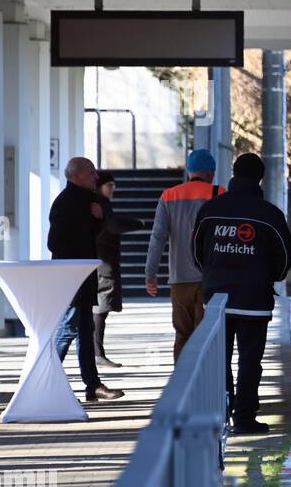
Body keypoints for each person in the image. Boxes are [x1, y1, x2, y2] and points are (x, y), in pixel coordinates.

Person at [192, 153, 291, 435]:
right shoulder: (269, 214)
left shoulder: (211, 210)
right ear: (260, 178)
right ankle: (245, 418)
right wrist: (268, 277)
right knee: (250, 361)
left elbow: (197, 252)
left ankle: (221, 414)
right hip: (254, 301)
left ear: (234, 173)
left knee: (220, 359)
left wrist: (212, 278)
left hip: (217, 301)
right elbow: (285, 256)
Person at [49, 156, 124, 402]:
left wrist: (101, 217)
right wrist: (74, 266)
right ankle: (46, 377)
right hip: (71, 277)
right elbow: (55, 243)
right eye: (91, 172)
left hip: (85, 275)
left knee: (84, 329)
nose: (96, 177)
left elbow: (100, 231)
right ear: (76, 176)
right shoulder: (64, 203)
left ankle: (92, 385)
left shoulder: (91, 201)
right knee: (68, 328)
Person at [145, 149, 222, 362]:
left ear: (190, 171)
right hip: (210, 280)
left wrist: (150, 273)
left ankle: (181, 385)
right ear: (209, 173)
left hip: (179, 281)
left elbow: (157, 237)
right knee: (206, 337)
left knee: (182, 335)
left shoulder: (169, 196)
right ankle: (206, 386)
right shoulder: (220, 194)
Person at [93, 171, 145, 368]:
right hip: (103, 261)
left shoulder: (101, 204)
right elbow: (113, 225)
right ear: (100, 186)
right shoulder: (100, 204)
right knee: (101, 307)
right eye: (109, 185)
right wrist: (139, 223)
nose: (113, 189)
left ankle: (97, 352)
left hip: (103, 258)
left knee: (101, 308)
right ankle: (97, 353)